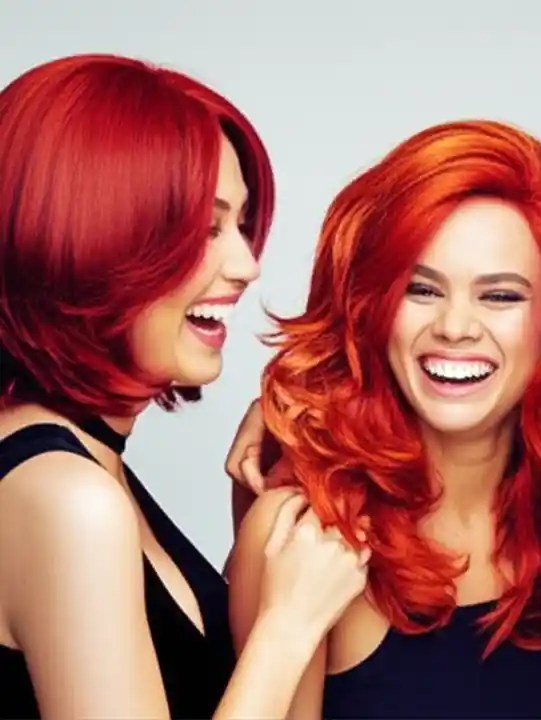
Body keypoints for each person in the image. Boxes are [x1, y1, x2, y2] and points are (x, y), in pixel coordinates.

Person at [0, 54, 368, 719]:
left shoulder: (83, 463)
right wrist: (287, 628)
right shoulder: (64, 497)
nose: (246, 265)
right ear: (94, 236)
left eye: (242, 225)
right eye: (204, 229)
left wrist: (259, 507)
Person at [224, 119, 541, 718]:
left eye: (500, 296)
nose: (455, 327)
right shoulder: (305, 533)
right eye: (421, 290)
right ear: (372, 309)